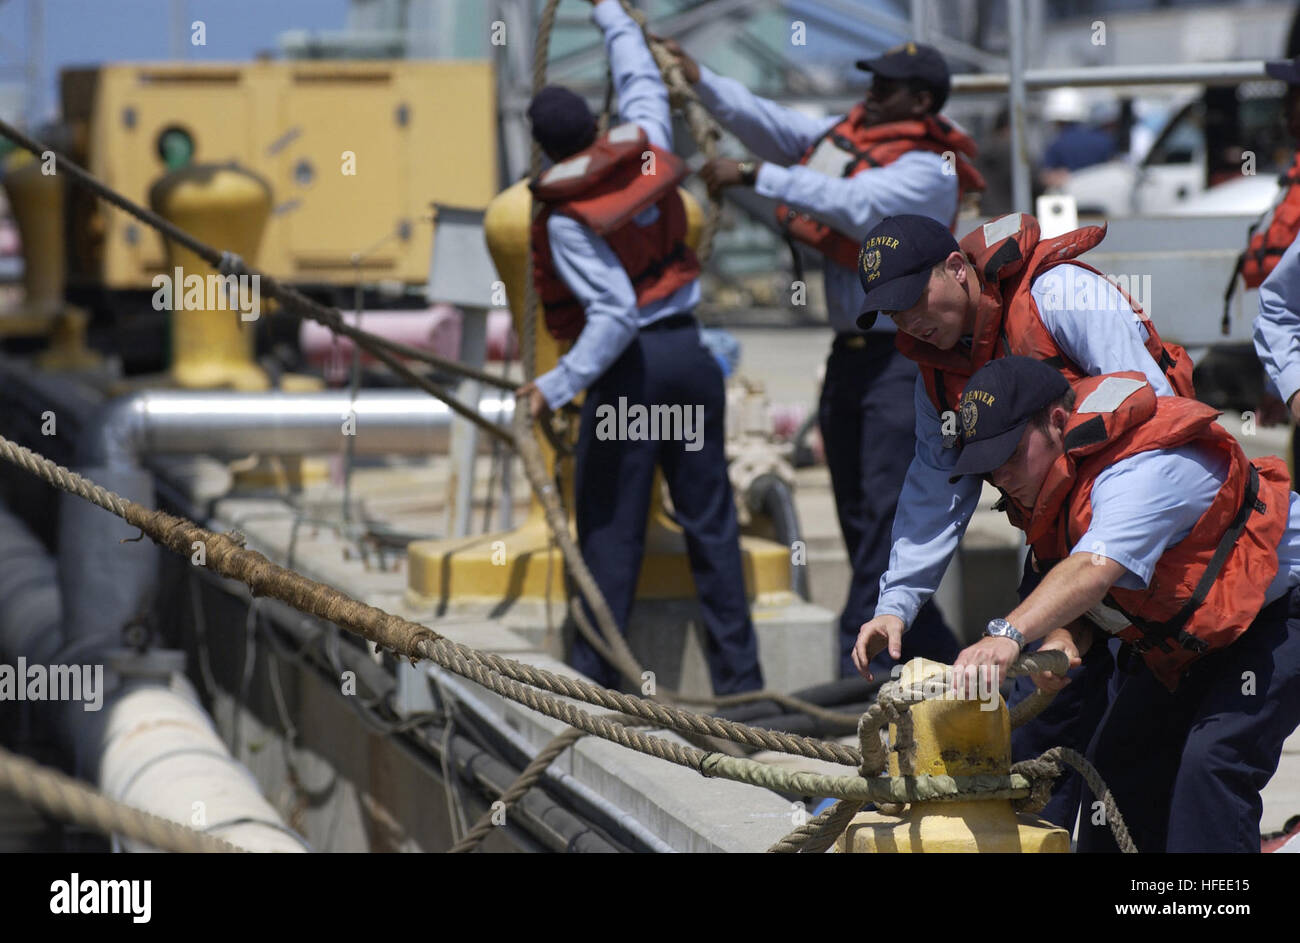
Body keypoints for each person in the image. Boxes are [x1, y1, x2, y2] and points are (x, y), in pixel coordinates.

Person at [850, 211, 1195, 827]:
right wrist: (895, 604)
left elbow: (1153, 416)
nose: (907, 320)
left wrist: (1095, 576)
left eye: (913, 298)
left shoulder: (1059, 295)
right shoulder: (935, 378)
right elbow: (934, 490)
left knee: (1157, 752)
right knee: (1042, 740)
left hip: (1148, 548)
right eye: (892, 312)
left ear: (955, 268)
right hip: (1061, 554)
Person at [661, 37, 985, 678]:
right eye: (872, 80)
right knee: (859, 518)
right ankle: (951, 669)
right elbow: (772, 123)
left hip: (902, 361)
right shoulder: (847, 138)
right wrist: (700, 79)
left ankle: (851, 672)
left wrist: (755, 175)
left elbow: (858, 205)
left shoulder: (929, 169)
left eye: (887, 86)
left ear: (922, 101)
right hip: (851, 358)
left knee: (884, 523)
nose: (871, 93)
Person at [947, 356, 1300, 853]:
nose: (1001, 475)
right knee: (1118, 764)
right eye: (989, 465)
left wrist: (1007, 634)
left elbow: (1095, 569)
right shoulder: (1053, 487)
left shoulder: (1139, 473)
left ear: (1056, 422)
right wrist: (1063, 638)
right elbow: (1091, 593)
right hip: (1196, 639)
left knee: (1213, 763)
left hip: (1282, 614)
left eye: (1010, 453)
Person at [515, 0, 762, 694]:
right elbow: (641, 81)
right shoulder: (647, 143)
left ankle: (599, 687)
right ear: (597, 128)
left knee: (611, 531)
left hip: (632, 378)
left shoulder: (565, 217)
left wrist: (552, 386)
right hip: (691, 363)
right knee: (711, 524)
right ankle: (744, 688)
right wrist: (612, 16)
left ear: (545, 150)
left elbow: (614, 314)